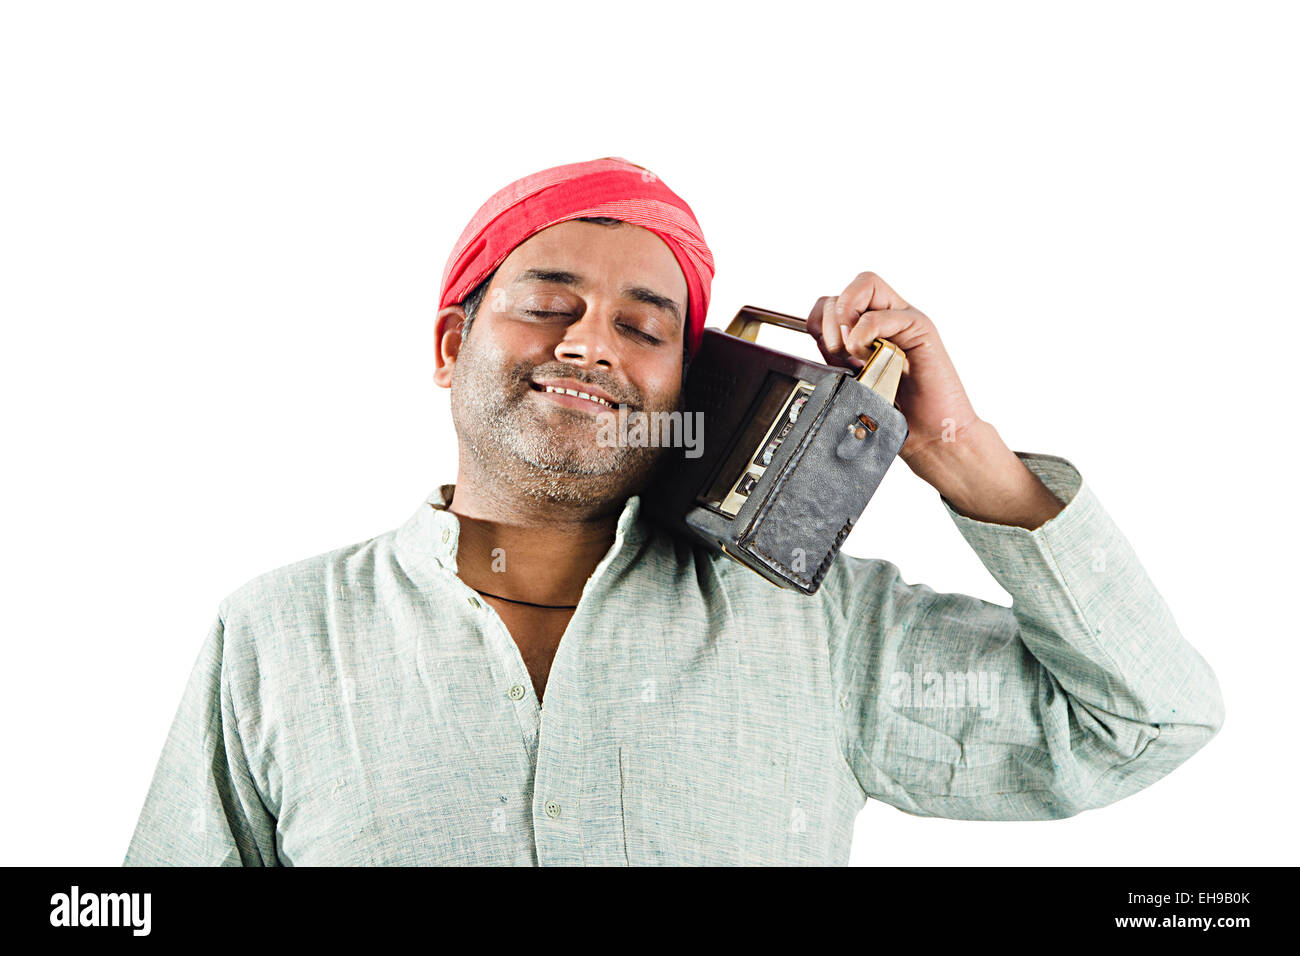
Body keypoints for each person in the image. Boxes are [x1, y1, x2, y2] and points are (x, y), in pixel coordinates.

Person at [124, 156, 1224, 866]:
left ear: (686, 387)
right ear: (452, 347)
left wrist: (964, 458)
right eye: (549, 304)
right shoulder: (277, 637)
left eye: (645, 329)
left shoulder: (822, 634)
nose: (591, 342)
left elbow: (1142, 721)